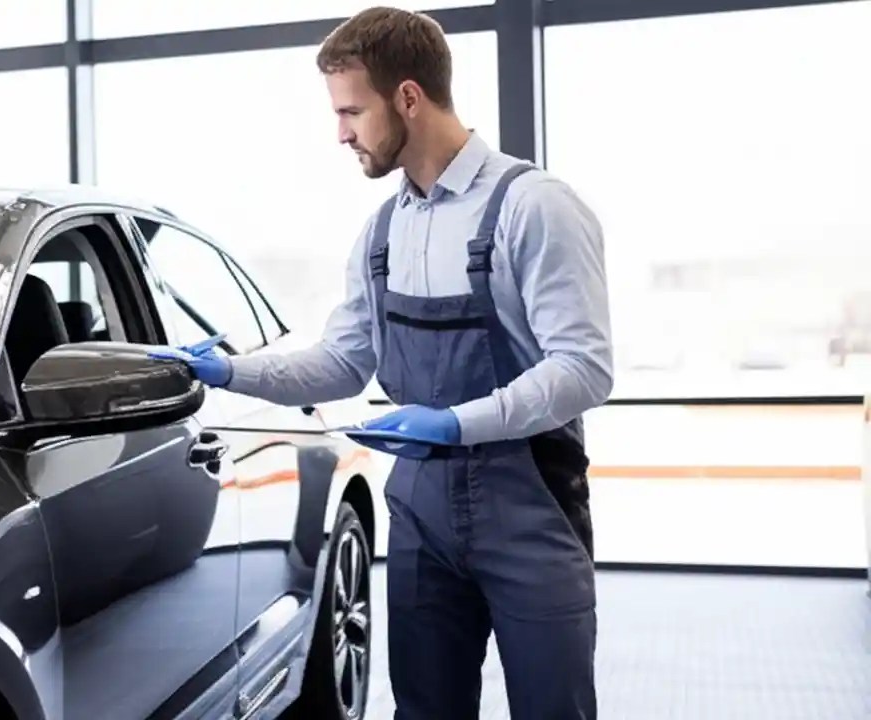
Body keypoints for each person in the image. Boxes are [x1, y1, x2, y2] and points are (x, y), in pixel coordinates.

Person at [150, 7, 611, 719]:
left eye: (351, 111)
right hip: (423, 517)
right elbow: (344, 362)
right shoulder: (383, 232)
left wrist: (454, 425)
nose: (340, 133)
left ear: (407, 98)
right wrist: (230, 373)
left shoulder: (535, 208)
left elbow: (583, 368)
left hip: (530, 514)